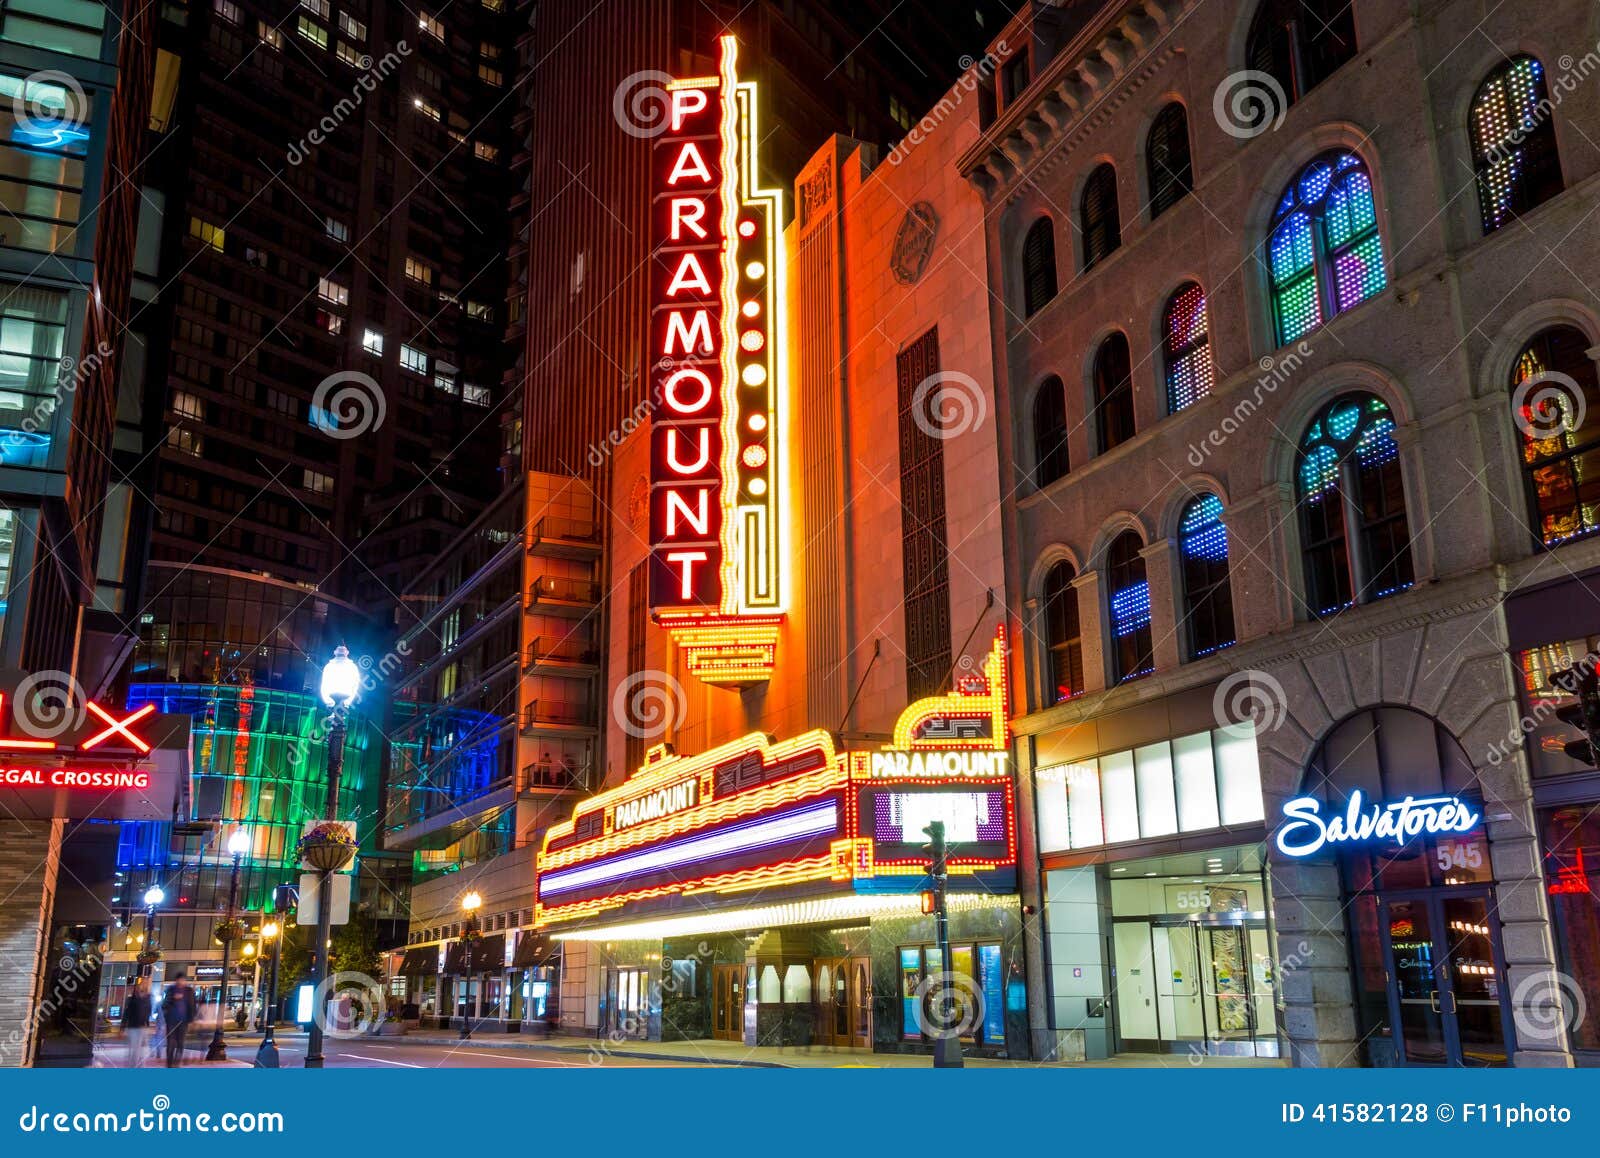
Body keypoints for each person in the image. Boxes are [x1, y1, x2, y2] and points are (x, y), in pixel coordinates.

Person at [160, 972, 197, 1067]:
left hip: (183, 1022)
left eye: (183, 980)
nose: (181, 982)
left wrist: (192, 1019)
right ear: (176, 980)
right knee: (171, 1043)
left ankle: (177, 1063)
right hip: (171, 1021)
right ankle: (169, 1064)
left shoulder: (189, 991)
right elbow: (164, 1005)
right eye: (179, 980)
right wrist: (173, 999)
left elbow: (192, 1006)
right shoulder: (171, 990)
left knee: (180, 1043)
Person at [121, 979, 152, 1068]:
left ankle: (140, 1066)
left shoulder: (148, 998)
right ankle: (133, 1066)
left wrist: (147, 1025)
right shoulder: (132, 999)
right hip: (133, 1027)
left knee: (142, 1050)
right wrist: (122, 1027)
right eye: (143, 984)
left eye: (146, 984)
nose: (144, 986)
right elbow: (126, 1013)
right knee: (134, 1050)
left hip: (143, 1028)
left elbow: (148, 1012)